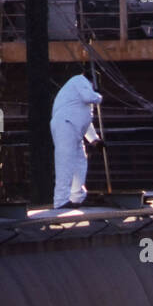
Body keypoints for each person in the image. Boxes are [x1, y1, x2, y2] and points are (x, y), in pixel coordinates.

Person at [51, 72, 103, 208]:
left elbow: (85, 119)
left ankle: (77, 197)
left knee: (80, 163)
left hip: (75, 129)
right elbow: (89, 97)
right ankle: (60, 200)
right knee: (65, 163)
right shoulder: (79, 81)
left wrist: (94, 140)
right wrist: (99, 96)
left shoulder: (79, 97)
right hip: (65, 125)